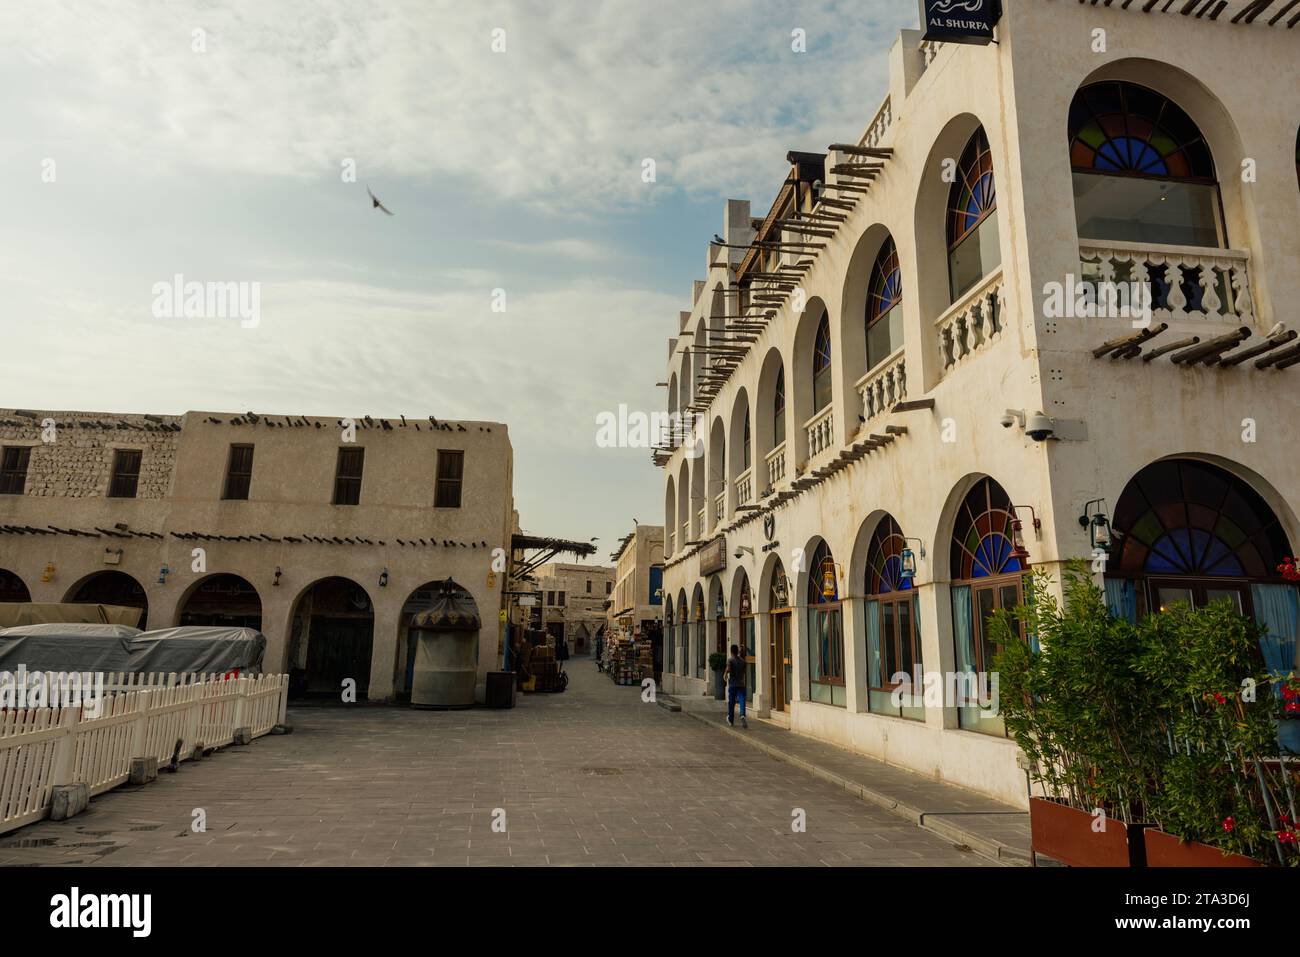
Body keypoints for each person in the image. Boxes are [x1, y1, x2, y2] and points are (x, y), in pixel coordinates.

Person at [723, 643, 747, 728]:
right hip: (741, 684)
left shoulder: (730, 660)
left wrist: (725, 674)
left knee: (731, 702)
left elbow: (729, 668)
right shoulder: (743, 661)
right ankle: (742, 714)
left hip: (733, 684)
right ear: (737, 651)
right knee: (742, 700)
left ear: (731, 651)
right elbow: (744, 671)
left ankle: (731, 719)